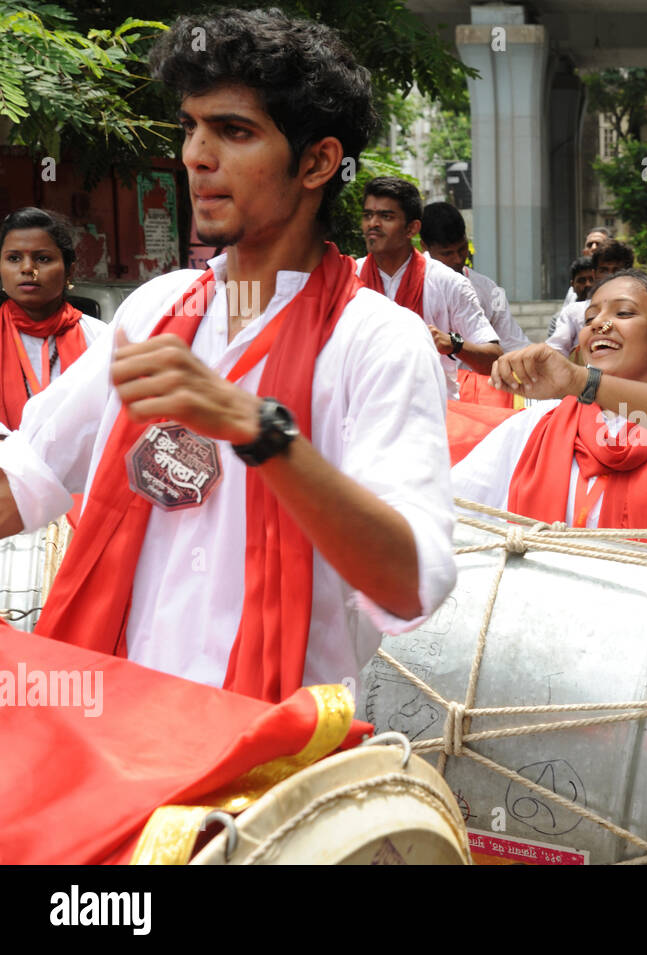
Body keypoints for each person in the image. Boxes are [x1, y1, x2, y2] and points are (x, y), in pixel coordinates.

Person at [0, 8, 457, 701]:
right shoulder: (156, 311)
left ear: (317, 162)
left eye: (233, 131)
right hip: (111, 729)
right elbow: (25, 477)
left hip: (269, 769)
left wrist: (261, 431)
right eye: (190, 127)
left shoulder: (377, 341)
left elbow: (409, 582)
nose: (195, 156)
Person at [453, 270, 647, 553]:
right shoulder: (534, 424)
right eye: (589, 318)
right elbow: (455, 511)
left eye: (623, 313)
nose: (600, 324)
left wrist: (581, 381)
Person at [355, 177, 501, 400]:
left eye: (386, 216)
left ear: (412, 228)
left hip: (432, 415)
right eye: (368, 215)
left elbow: (494, 360)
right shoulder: (349, 277)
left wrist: (453, 344)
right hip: (363, 409)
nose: (373, 223)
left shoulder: (448, 283)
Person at [0, 207, 107, 432]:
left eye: (42, 258)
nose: (28, 268)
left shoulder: (100, 340)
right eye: (14, 258)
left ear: (70, 271)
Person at [420, 201, 529, 351]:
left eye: (462, 249)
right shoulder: (415, 289)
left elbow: (513, 342)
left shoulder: (492, 290)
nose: (458, 259)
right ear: (424, 247)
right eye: (447, 253)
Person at [546, 239, 635, 356]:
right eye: (604, 270)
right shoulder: (574, 312)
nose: (611, 276)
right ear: (594, 274)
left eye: (617, 270)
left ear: (630, 273)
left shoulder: (642, 309)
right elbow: (556, 349)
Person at [560, 228, 612, 306]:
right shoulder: (572, 292)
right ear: (584, 252)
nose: (594, 248)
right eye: (590, 245)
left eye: (599, 244)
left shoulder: (619, 284)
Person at [550, 256, 595, 337]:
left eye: (591, 280)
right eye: (582, 280)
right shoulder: (558, 319)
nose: (588, 284)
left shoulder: (608, 315)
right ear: (572, 285)